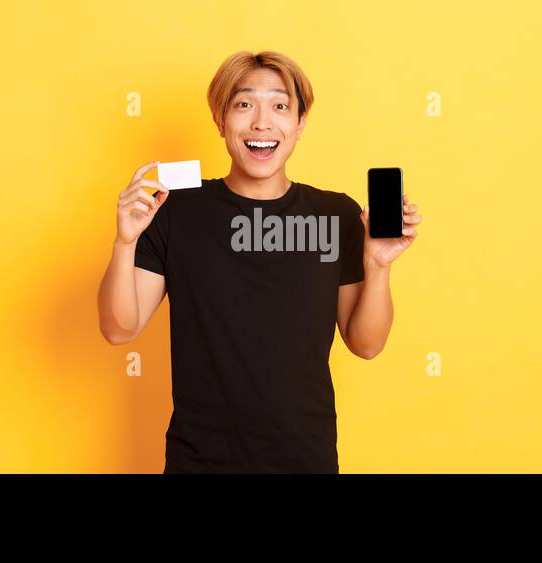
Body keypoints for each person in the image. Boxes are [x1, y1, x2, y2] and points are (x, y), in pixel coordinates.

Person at [96, 50, 423, 473]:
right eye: (244, 104)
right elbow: (119, 329)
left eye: (281, 106)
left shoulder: (337, 215)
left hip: (305, 460)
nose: (262, 123)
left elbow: (366, 344)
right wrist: (125, 242)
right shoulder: (177, 210)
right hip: (199, 461)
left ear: (300, 124)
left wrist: (378, 265)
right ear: (220, 120)